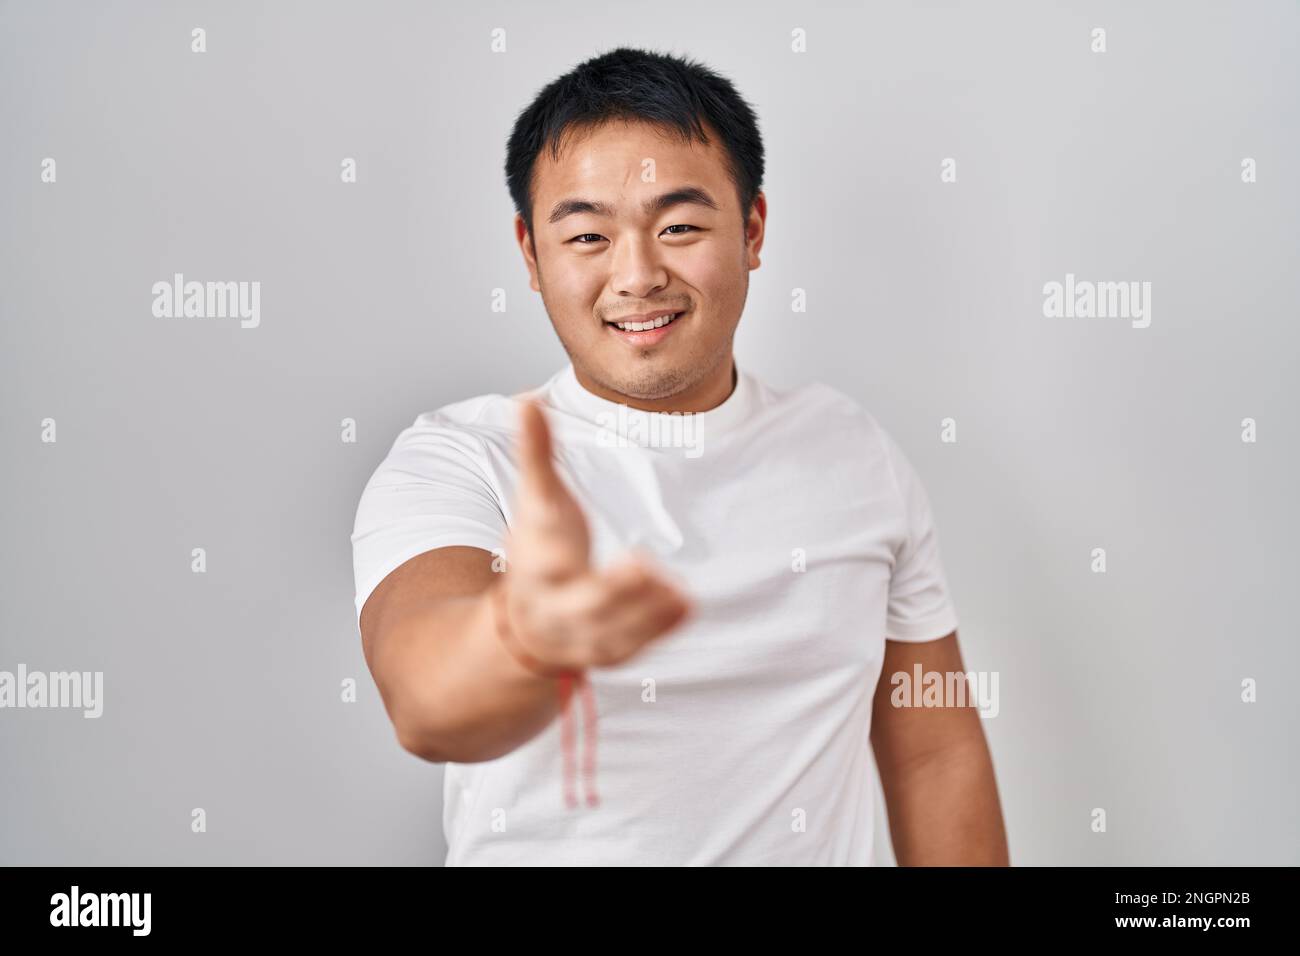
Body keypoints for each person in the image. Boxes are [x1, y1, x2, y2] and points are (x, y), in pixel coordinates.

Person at [351, 47, 1008, 865]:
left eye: (681, 227)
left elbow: (933, 753)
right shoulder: (462, 461)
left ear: (753, 230)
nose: (637, 275)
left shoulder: (852, 454)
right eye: (587, 234)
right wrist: (523, 637)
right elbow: (426, 704)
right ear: (530, 254)